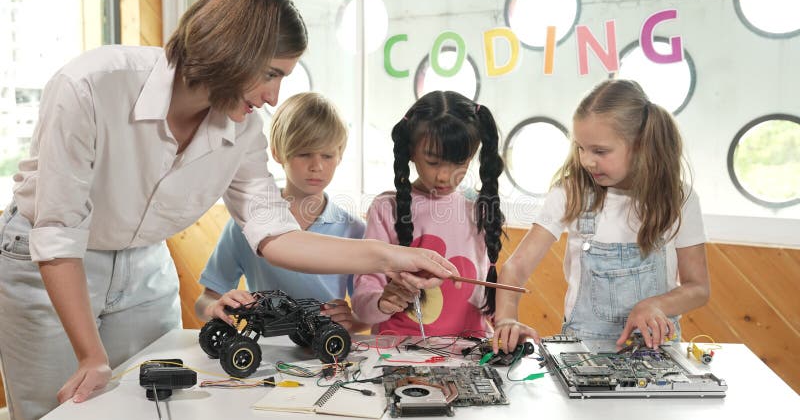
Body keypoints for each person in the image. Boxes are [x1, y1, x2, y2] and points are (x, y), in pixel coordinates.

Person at [0, 0, 454, 420]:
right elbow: (58, 232)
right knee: (61, 410)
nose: (274, 97)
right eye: (271, 74)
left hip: (144, 264)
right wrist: (90, 355)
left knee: (158, 404)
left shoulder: (243, 130)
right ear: (232, 50)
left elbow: (277, 235)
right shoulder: (92, 85)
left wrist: (392, 256)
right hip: (49, 263)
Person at [493, 79, 709, 355]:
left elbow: (698, 287)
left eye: (600, 151)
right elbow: (516, 269)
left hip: (658, 358)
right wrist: (507, 319)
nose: (586, 161)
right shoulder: (571, 193)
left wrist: (655, 305)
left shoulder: (679, 199)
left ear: (641, 144)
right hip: (582, 355)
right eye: (581, 148)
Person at [194, 92, 368, 332]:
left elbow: (368, 312)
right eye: (304, 153)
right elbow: (205, 300)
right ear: (277, 152)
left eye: (327, 155)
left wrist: (354, 321)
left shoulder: (354, 230)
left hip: (324, 352)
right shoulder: (247, 223)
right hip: (264, 354)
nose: (316, 166)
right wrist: (216, 307)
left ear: (339, 155)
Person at [351, 90, 505, 337]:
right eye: (433, 162)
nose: (444, 175)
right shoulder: (386, 209)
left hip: (469, 353)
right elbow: (362, 307)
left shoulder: (479, 208)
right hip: (399, 353)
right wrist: (381, 302)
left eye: (459, 163)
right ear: (411, 151)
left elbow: (486, 300)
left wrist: (508, 323)